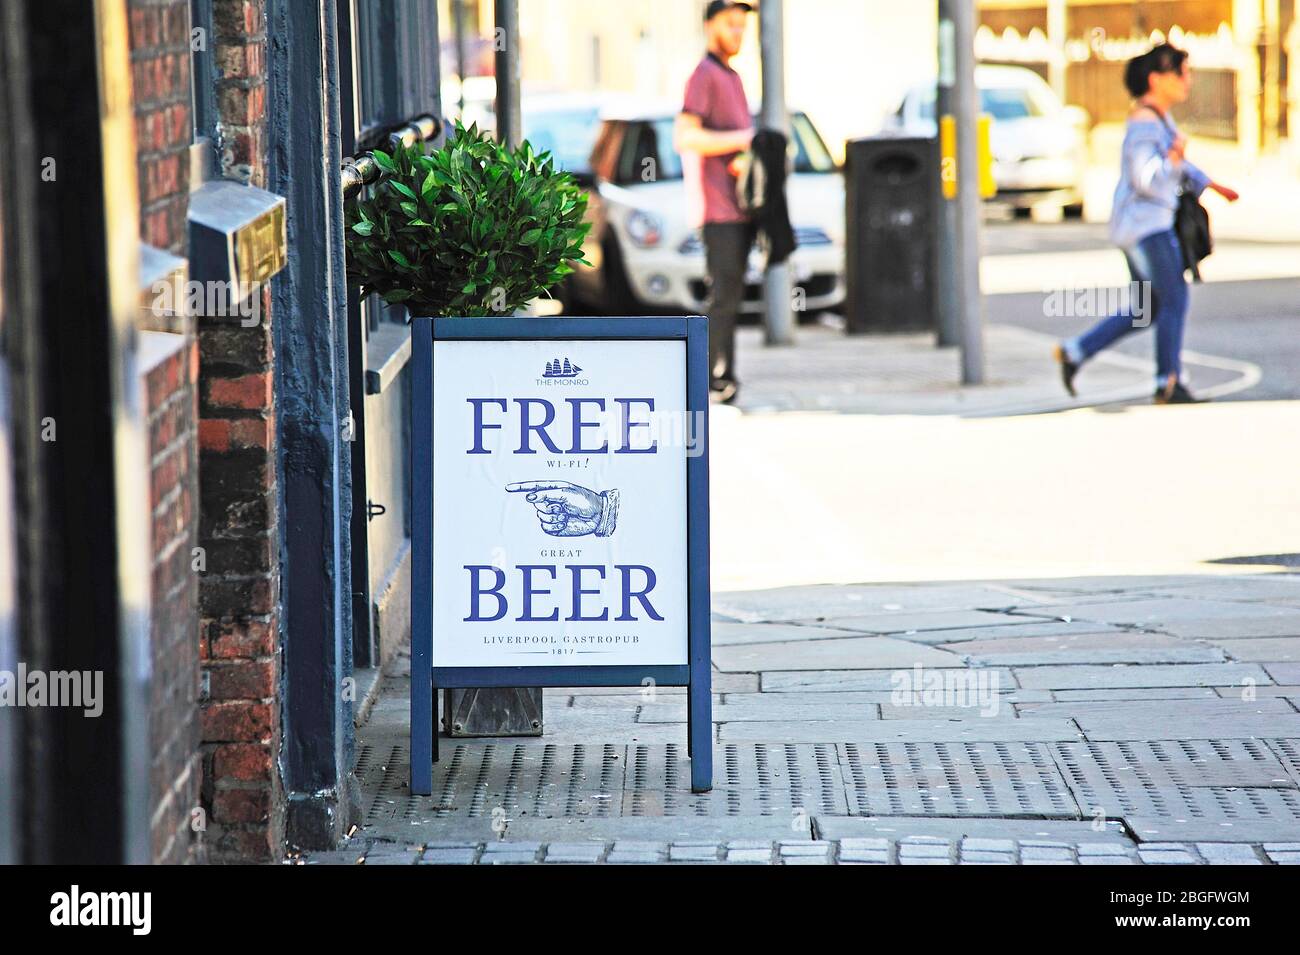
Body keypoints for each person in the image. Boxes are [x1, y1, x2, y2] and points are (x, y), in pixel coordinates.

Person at [1054, 43, 1238, 404]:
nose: (1188, 80)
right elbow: (1145, 177)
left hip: (1138, 226)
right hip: (1147, 227)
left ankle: (1076, 352)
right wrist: (1172, 158)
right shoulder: (1144, 123)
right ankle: (1168, 380)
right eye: (1181, 73)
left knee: (1148, 308)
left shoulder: (1156, 116)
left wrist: (1209, 184)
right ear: (1157, 78)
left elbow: (1176, 167)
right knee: (1175, 299)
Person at [674, 0, 756, 404]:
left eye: (743, 26)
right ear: (710, 26)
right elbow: (686, 137)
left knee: (733, 295)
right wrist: (743, 141)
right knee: (721, 297)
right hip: (717, 210)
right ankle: (707, 381)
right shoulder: (703, 75)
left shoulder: (734, 77)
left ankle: (725, 375)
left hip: (740, 208)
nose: (738, 33)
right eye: (731, 25)